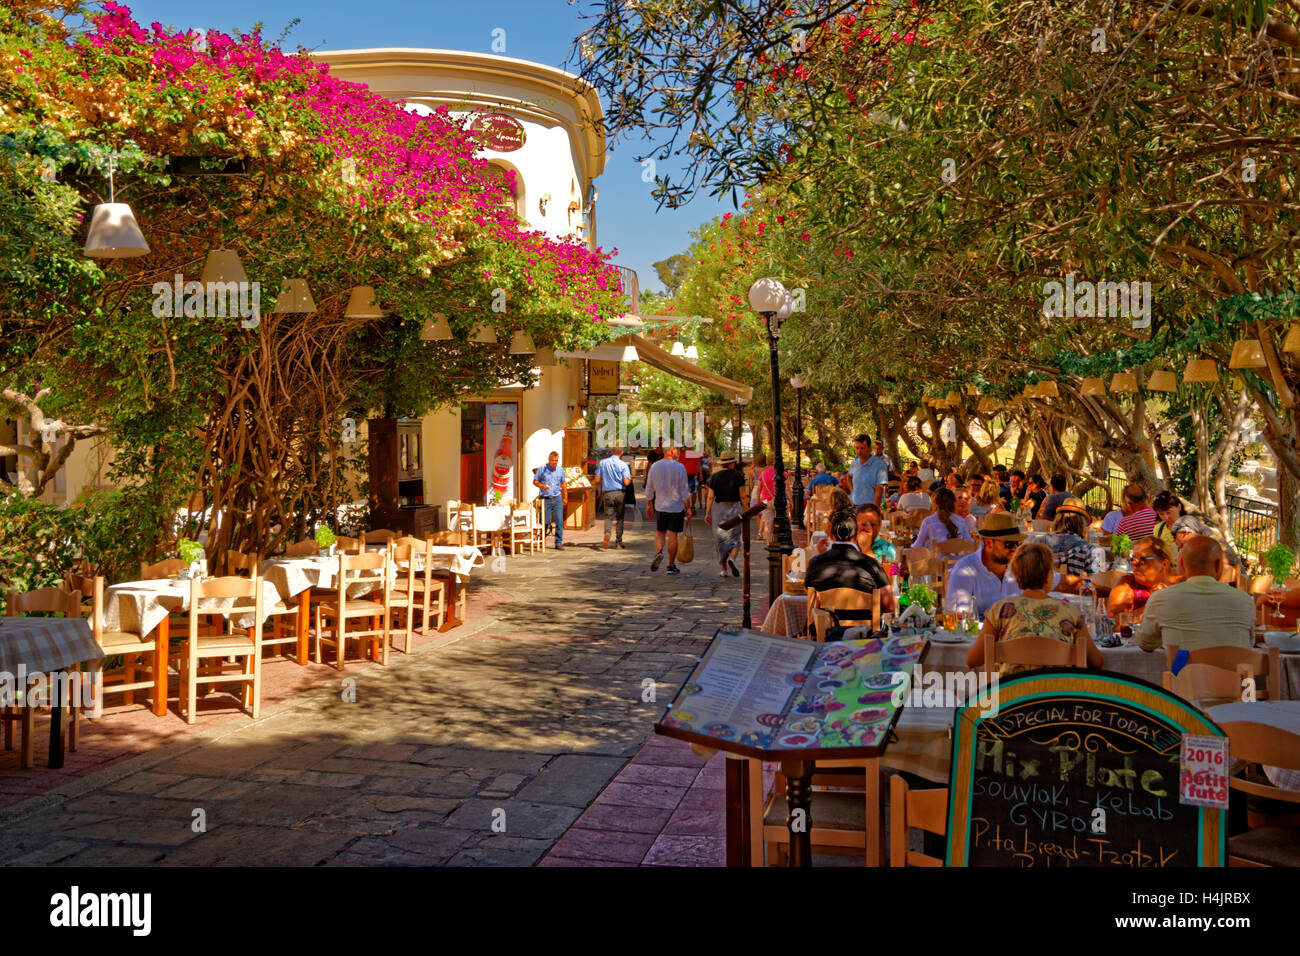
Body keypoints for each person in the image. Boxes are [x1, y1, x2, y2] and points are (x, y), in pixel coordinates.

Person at [966, 542, 1104, 676]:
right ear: (1048, 577)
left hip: (1010, 697)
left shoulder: (998, 611)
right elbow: (1096, 662)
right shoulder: (1072, 613)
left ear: (1016, 578)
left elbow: (972, 660)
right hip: (1057, 696)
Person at [1137, 536, 1256, 653]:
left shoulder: (1161, 599)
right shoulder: (1245, 600)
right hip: (1235, 672)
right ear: (1219, 565)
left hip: (1184, 672)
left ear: (1182, 565)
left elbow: (1146, 644)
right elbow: (1249, 643)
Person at [946, 513, 1063, 618]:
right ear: (988, 543)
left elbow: (1062, 582)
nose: (1015, 549)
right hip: (981, 637)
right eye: (1009, 544)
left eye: (1018, 543)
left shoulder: (1021, 564)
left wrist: (1081, 586)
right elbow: (958, 616)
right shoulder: (965, 570)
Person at [804, 509, 894, 626]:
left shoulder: (815, 562)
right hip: (863, 637)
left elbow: (810, 596)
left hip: (826, 634)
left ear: (831, 535)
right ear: (856, 536)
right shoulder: (871, 564)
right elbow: (890, 605)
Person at [645, 445, 693, 574]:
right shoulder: (680, 467)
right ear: (671, 450)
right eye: (677, 449)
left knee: (660, 533)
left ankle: (659, 552)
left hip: (660, 505)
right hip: (676, 507)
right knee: (673, 536)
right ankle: (671, 565)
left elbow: (649, 487)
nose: (679, 452)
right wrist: (688, 508)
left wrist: (649, 504)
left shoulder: (655, 466)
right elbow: (684, 489)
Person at [1029, 497, 1105, 577]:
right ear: (1082, 522)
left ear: (1058, 518)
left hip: (1045, 588)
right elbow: (1096, 582)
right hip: (1074, 588)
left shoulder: (1037, 544)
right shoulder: (1089, 550)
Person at [1107, 535, 1175, 620]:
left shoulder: (1180, 584)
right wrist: (1151, 606)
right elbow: (1113, 623)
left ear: (1164, 564)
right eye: (1133, 558)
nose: (1134, 563)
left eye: (1142, 559)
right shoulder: (1127, 585)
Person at [705, 453, 745, 578]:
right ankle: (732, 558)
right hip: (734, 507)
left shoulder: (714, 477)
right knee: (735, 537)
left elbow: (710, 496)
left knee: (720, 539)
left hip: (719, 509)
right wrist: (747, 510)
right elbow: (743, 496)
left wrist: (707, 512)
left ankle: (724, 569)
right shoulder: (738, 476)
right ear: (733, 463)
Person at [596, 445, 632, 550]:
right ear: (622, 453)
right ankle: (618, 542)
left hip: (607, 493)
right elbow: (626, 481)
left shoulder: (603, 462)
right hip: (620, 493)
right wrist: (629, 479)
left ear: (612, 451)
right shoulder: (623, 465)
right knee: (620, 518)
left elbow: (597, 479)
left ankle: (607, 533)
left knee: (608, 517)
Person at [532, 451, 567, 550]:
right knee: (546, 521)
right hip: (545, 499)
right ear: (549, 459)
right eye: (552, 460)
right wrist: (541, 486)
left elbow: (563, 484)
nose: (554, 462)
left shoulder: (560, 470)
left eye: (556, 460)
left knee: (559, 521)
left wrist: (565, 497)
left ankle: (558, 542)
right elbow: (535, 481)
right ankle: (541, 540)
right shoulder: (542, 469)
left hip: (557, 498)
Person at [844, 433, 889, 507]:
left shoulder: (880, 465)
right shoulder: (854, 463)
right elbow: (848, 477)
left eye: (862, 448)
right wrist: (853, 492)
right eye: (857, 448)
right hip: (855, 507)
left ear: (869, 448)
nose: (859, 451)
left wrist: (875, 511)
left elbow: (879, 492)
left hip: (871, 508)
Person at [855, 502, 897, 567]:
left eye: (872, 525)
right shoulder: (849, 546)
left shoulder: (890, 549)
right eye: (863, 525)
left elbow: (894, 574)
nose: (868, 529)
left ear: (879, 526)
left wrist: (866, 550)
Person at [682, 445, 703, 509]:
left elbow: (699, 465)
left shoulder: (696, 454)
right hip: (684, 474)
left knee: (694, 491)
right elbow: (680, 464)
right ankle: (686, 507)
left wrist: (700, 474)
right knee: (685, 491)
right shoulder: (683, 454)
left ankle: (693, 506)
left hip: (694, 475)